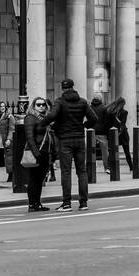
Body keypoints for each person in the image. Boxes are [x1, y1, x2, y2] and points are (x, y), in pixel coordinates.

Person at [45, 78, 97, 211]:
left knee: (66, 172)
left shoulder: (60, 102)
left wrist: (45, 124)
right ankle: (83, 202)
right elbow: (94, 118)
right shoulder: (83, 102)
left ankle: (67, 203)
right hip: (79, 138)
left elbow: (52, 116)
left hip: (65, 140)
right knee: (82, 172)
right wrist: (84, 125)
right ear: (73, 87)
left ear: (62, 88)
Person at [22, 97, 55, 212]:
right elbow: (30, 137)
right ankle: (32, 204)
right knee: (33, 179)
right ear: (33, 106)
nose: (41, 106)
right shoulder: (30, 118)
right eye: (38, 105)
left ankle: (37, 203)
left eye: (43, 105)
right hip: (36, 153)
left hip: (45, 152)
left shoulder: (45, 119)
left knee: (40, 179)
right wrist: (36, 153)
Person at [0, 102, 15, 183]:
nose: (3, 107)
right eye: (1, 106)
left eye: (4, 106)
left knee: (9, 157)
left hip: (5, 139)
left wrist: (9, 139)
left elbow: (12, 129)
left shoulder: (9, 116)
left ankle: (11, 175)